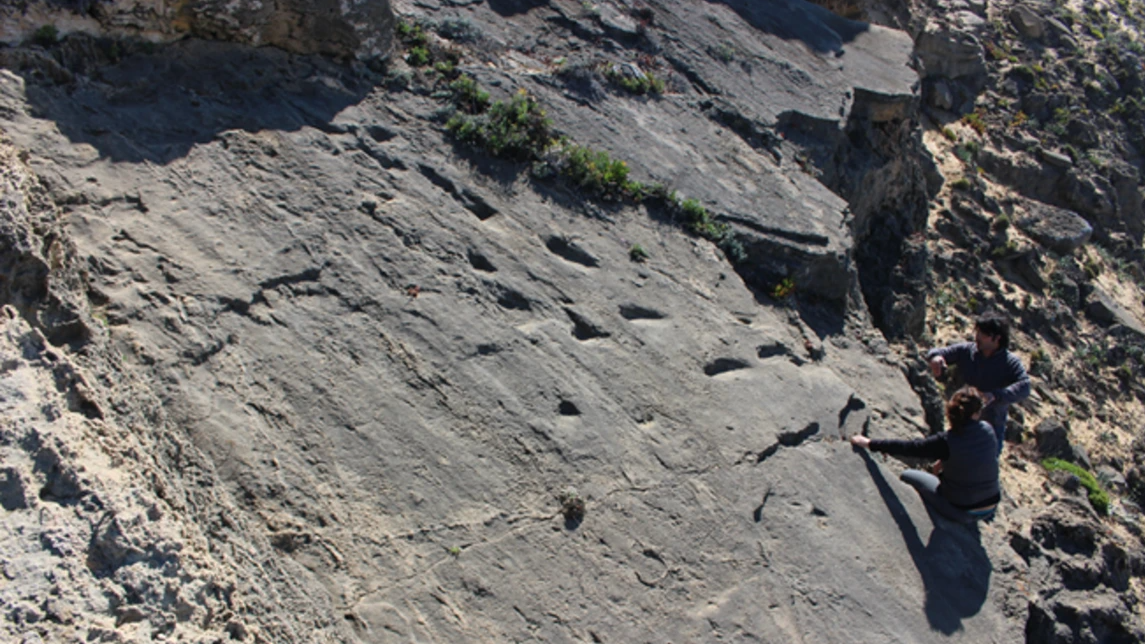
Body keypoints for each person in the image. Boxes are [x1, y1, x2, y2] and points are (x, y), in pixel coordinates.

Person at [851, 387, 1000, 523]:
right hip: (990, 506)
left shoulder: (946, 441)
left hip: (962, 510)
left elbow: (909, 448)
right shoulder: (988, 430)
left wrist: (869, 443)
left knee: (908, 475)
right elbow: (976, 457)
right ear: (975, 413)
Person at [927, 312, 1029, 455]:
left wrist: (995, 395)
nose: (977, 337)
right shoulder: (967, 350)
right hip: (962, 422)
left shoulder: (1010, 362)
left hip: (991, 426)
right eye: (977, 331)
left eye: (983, 334)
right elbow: (939, 352)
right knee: (954, 459)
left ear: (997, 338)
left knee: (985, 466)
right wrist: (935, 357)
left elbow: (1025, 387)